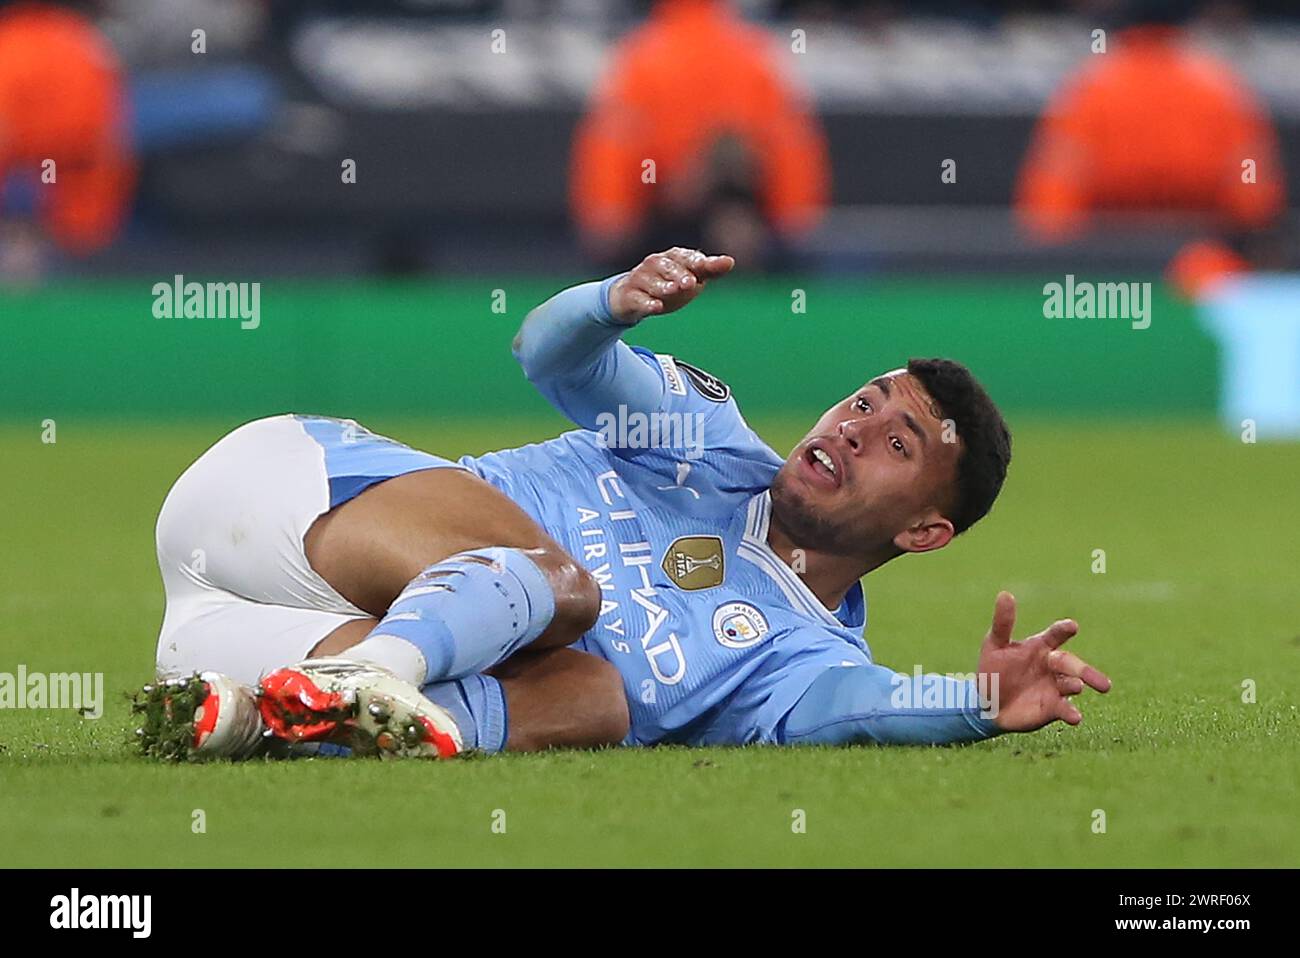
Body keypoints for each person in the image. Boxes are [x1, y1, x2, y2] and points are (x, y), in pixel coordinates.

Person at [139, 247, 1109, 761]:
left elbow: (864, 707)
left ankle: (254, 716)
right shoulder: (701, 435)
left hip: (238, 632)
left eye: (899, 443)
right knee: (568, 591)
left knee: (597, 701)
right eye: (864, 401)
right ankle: (373, 678)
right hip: (289, 500)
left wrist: (975, 703)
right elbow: (547, 354)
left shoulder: (798, 661)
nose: (855, 427)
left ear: (924, 531)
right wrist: (610, 301)